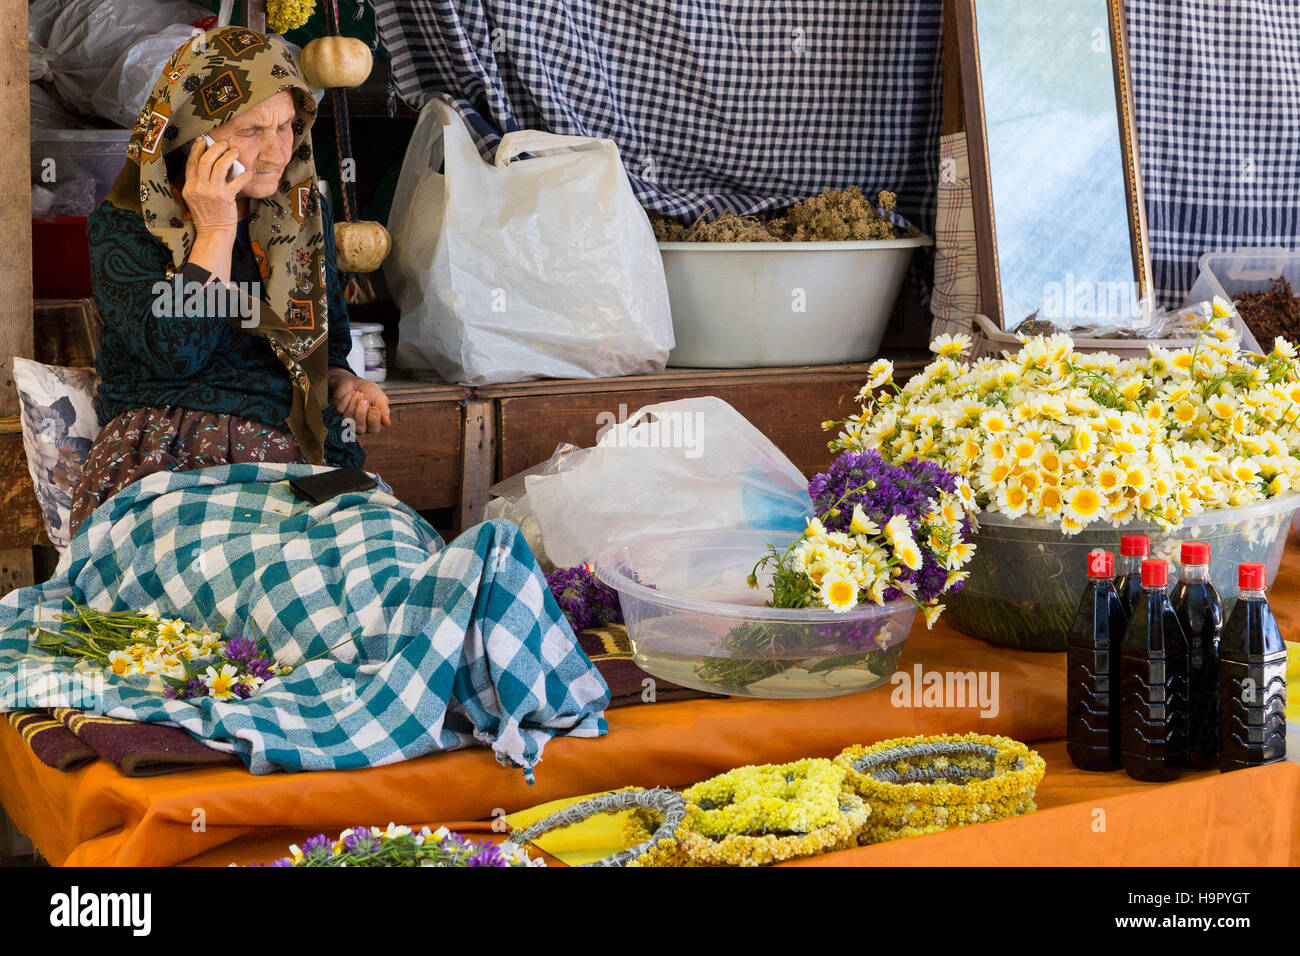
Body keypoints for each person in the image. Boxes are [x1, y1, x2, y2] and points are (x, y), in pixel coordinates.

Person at [70, 25, 390, 536]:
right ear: (191, 134)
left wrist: (344, 384)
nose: (278, 151)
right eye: (252, 130)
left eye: (287, 125)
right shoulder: (128, 225)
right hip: (168, 453)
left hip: (295, 457)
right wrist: (215, 228)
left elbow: (326, 349)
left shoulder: (303, 217)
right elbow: (178, 355)